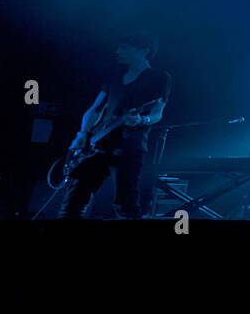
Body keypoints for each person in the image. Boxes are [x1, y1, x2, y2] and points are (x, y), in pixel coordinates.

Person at [58, 33, 172, 220]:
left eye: (125, 47)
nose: (118, 51)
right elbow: (95, 108)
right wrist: (82, 134)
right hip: (96, 144)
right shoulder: (115, 74)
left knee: (125, 204)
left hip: (129, 146)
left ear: (144, 50)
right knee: (72, 204)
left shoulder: (159, 77)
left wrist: (143, 121)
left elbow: (158, 113)